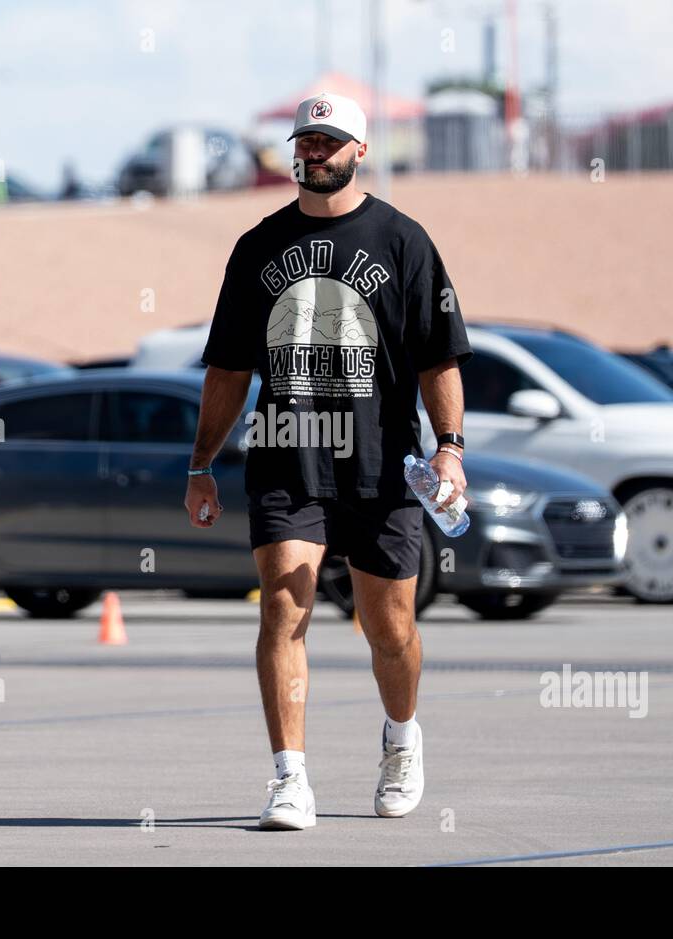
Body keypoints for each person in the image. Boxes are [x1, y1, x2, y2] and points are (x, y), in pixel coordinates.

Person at [184, 91, 471, 830]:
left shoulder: (404, 242)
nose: (313, 153)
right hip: (286, 458)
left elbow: (440, 359)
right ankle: (290, 779)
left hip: (381, 466)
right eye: (305, 141)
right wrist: (201, 462)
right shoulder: (257, 248)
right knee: (283, 607)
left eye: (328, 142)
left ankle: (402, 739)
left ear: (360, 151)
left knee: (391, 629)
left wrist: (450, 448)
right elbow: (226, 368)